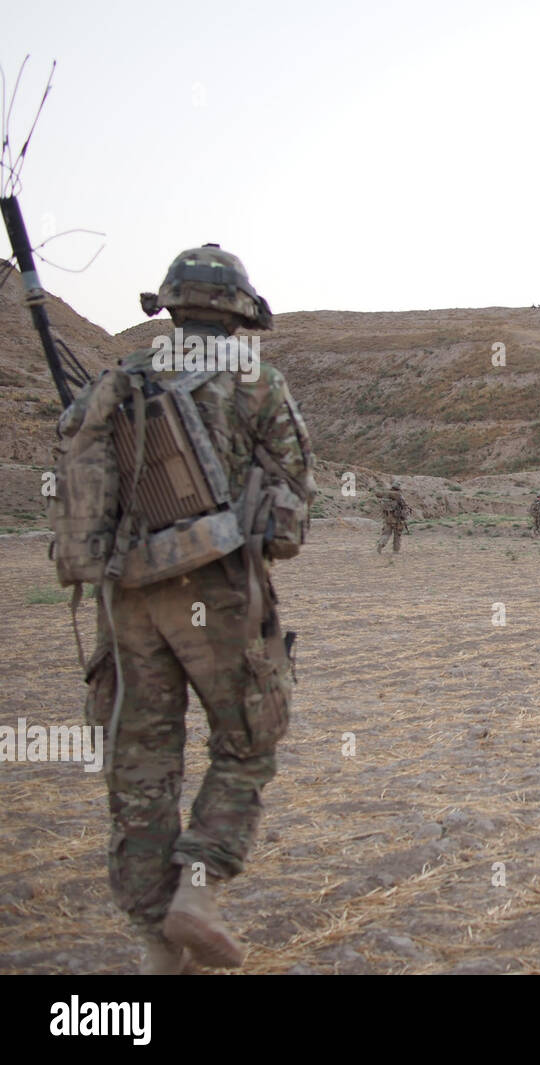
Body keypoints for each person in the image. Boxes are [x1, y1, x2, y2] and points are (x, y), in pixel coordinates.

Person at [60, 245, 315, 973]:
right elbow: (292, 500)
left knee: (140, 765)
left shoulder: (120, 377)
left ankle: (153, 944)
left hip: (127, 596)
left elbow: (76, 457)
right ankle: (198, 889)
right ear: (240, 311)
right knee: (247, 743)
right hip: (216, 588)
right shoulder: (257, 381)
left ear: (170, 306)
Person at [376, 482, 411, 554]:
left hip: (387, 518)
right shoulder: (398, 496)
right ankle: (396, 550)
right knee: (397, 535)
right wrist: (404, 516)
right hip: (397, 519)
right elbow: (405, 506)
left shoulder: (385, 495)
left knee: (386, 533)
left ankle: (381, 544)